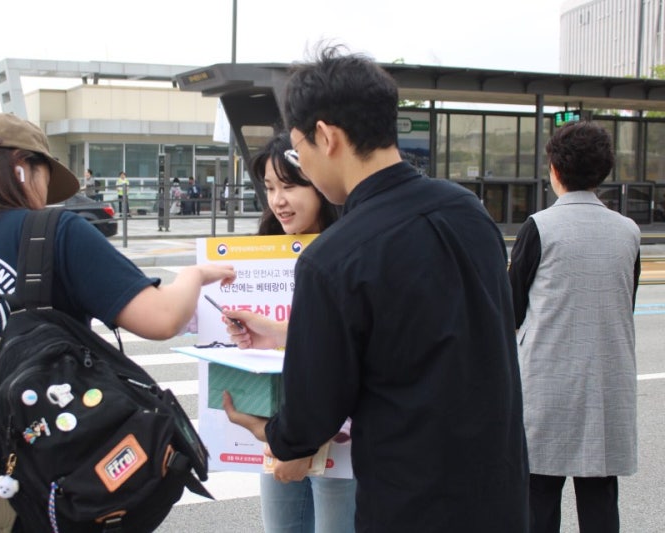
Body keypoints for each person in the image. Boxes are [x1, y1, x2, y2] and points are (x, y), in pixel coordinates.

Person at [219, 46, 528, 532]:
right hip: (500, 493)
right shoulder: (467, 211)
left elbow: (312, 412)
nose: (304, 166)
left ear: (327, 137)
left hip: (410, 502)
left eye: (299, 151)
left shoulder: (333, 257)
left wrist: (274, 434)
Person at [0, 113, 236, 532]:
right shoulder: (55, 233)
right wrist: (193, 276)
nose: (43, 195)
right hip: (58, 502)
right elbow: (162, 319)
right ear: (20, 167)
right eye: (43, 176)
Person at [508, 121, 641, 533]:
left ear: (554, 169)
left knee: (538, 497)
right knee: (600, 498)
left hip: (546, 385)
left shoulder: (539, 226)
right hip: (606, 383)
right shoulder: (629, 231)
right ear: (603, 171)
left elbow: (511, 309)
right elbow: (625, 302)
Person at [225, 131, 351, 533]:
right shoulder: (263, 253)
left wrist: (279, 332)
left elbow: (342, 343)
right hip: (280, 421)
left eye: (290, 185)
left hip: (343, 432)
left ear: (320, 182)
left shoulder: (350, 251)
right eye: (269, 188)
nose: (278, 200)